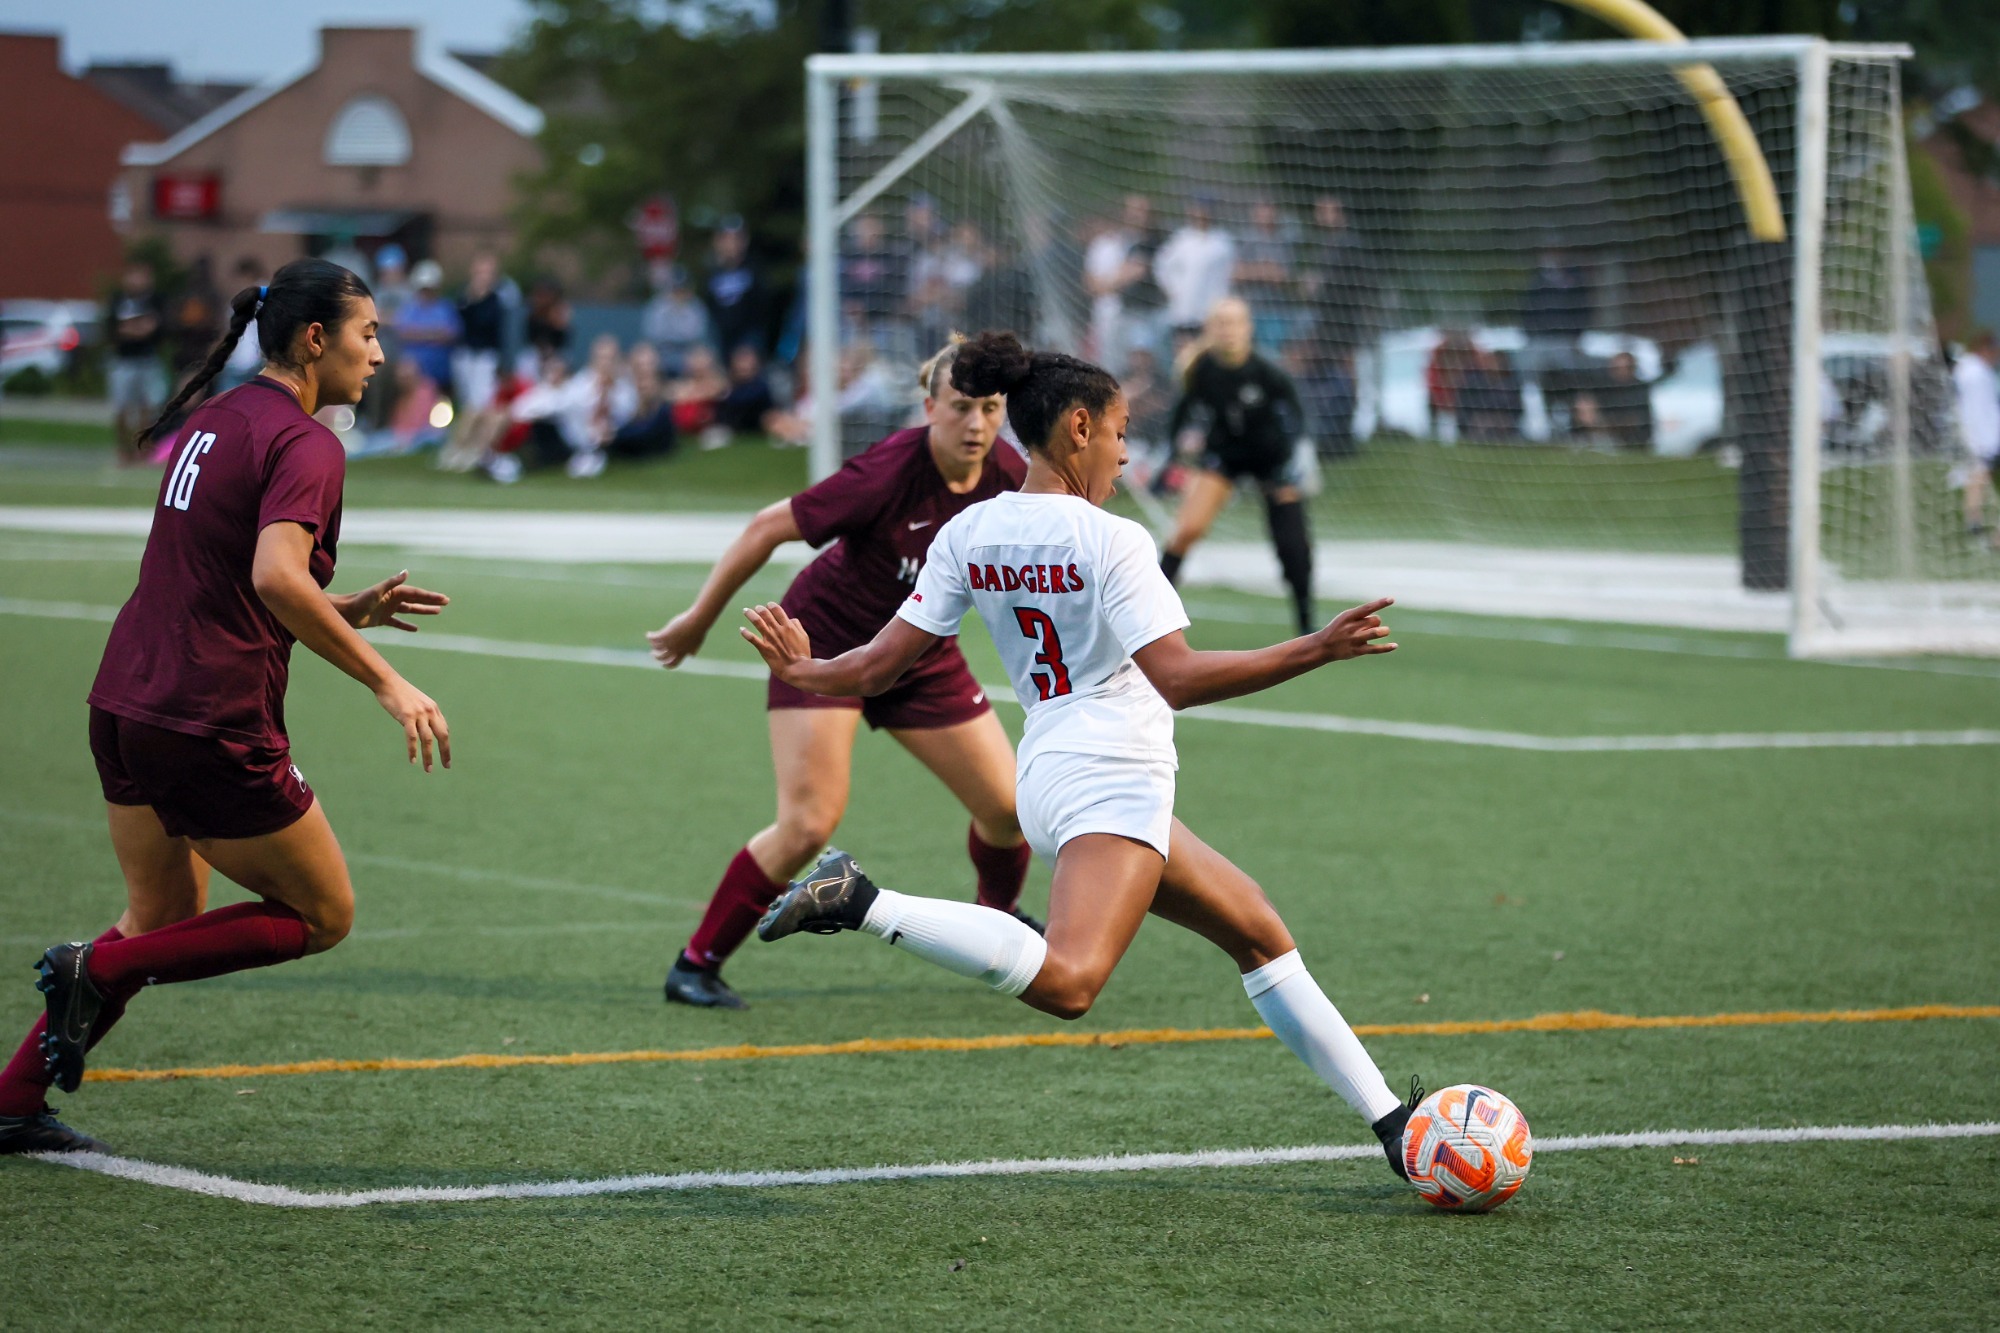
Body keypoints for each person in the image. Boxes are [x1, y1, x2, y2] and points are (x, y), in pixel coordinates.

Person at [737, 329, 1421, 1184]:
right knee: (1070, 981)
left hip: (1050, 766)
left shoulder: (969, 530)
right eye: (1124, 430)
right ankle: (864, 900)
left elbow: (877, 664)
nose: (1130, 454)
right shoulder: (1114, 541)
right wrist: (1311, 649)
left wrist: (803, 667)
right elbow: (1174, 677)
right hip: (1112, 769)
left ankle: (1394, 1123)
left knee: (1258, 933)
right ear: (1079, 428)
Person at [0, 259, 452, 1155]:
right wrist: (386, 679)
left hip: (125, 700)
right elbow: (273, 575)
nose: (378, 353)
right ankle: (94, 969)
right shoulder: (309, 441)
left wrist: (346, 608)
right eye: (367, 334)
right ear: (315, 340)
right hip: (207, 718)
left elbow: (221, 568)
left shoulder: (223, 416)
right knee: (322, 914)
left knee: (161, 913)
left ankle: (12, 1095)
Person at [644, 339, 1032, 1009]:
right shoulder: (885, 473)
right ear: (929, 405)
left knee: (1009, 810)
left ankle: (993, 925)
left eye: (991, 409)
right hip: (819, 647)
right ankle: (695, 964)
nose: (976, 424)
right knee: (808, 823)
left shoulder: (1010, 474)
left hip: (918, 655)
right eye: (961, 407)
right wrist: (699, 617)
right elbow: (768, 526)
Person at [1158, 298, 1318, 636]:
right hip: (1223, 457)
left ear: (1248, 328)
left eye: (1234, 323)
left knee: (1292, 545)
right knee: (1186, 530)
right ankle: (1152, 612)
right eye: (1221, 324)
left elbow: (1297, 417)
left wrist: (1298, 456)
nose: (1228, 331)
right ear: (1210, 330)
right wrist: (1172, 456)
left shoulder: (1267, 371)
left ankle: (1306, 624)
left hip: (1273, 460)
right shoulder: (1200, 371)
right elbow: (1180, 416)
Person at [107, 260, 168, 463]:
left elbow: (155, 328)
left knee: (147, 408)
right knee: (121, 408)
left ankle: (141, 450)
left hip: (147, 359)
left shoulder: (156, 301)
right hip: (123, 361)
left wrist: (134, 328)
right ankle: (123, 450)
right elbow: (115, 329)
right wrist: (136, 328)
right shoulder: (118, 300)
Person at [1154, 198, 1236, 338]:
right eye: (1198, 209)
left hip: (1211, 313)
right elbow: (1161, 266)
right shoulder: (1181, 238)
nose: (1201, 214)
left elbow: (1231, 273)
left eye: (1205, 210)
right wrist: (1172, 290)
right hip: (1184, 311)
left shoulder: (1223, 241)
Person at [394, 260, 462, 400]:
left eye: (429, 288)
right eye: (423, 288)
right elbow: (404, 332)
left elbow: (450, 334)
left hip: (439, 368)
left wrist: (420, 333)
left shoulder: (445, 307)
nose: (426, 292)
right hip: (413, 370)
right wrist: (433, 334)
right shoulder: (411, 308)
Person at [705, 218, 772, 359]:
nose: (730, 244)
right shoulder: (710, 272)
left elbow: (761, 310)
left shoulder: (755, 270)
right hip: (720, 338)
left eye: (735, 239)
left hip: (748, 338)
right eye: (725, 239)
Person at [1956, 330, 2000, 542]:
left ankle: (1975, 521)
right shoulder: (1976, 373)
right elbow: (1977, 411)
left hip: (1984, 438)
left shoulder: (1973, 370)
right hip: (1985, 439)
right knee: (1979, 478)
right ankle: (1979, 525)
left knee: (1978, 479)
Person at [454, 254, 508, 415]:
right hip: (465, 355)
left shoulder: (497, 300)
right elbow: (460, 323)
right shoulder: (464, 297)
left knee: (483, 399)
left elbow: (488, 324)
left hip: (486, 355)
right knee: (467, 400)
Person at [641, 263, 712, 375]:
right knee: (645, 355)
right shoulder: (657, 306)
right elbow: (653, 337)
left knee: (703, 356)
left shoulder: (697, 308)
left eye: (682, 288)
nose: (679, 293)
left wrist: (673, 340)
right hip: (661, 354)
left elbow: (697, 339)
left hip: (687, 355)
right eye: (675, 289)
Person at [1573, 350, 1651, 450]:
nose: (1616, 372)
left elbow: (1631, 422)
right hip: (1597, 436)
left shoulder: (1639, 389)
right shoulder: (1602, 384)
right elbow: (1584, 408)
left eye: (1621, 369)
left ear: (1632, 370)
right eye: (1614, 368)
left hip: (1626, 442)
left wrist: (1600, 424)